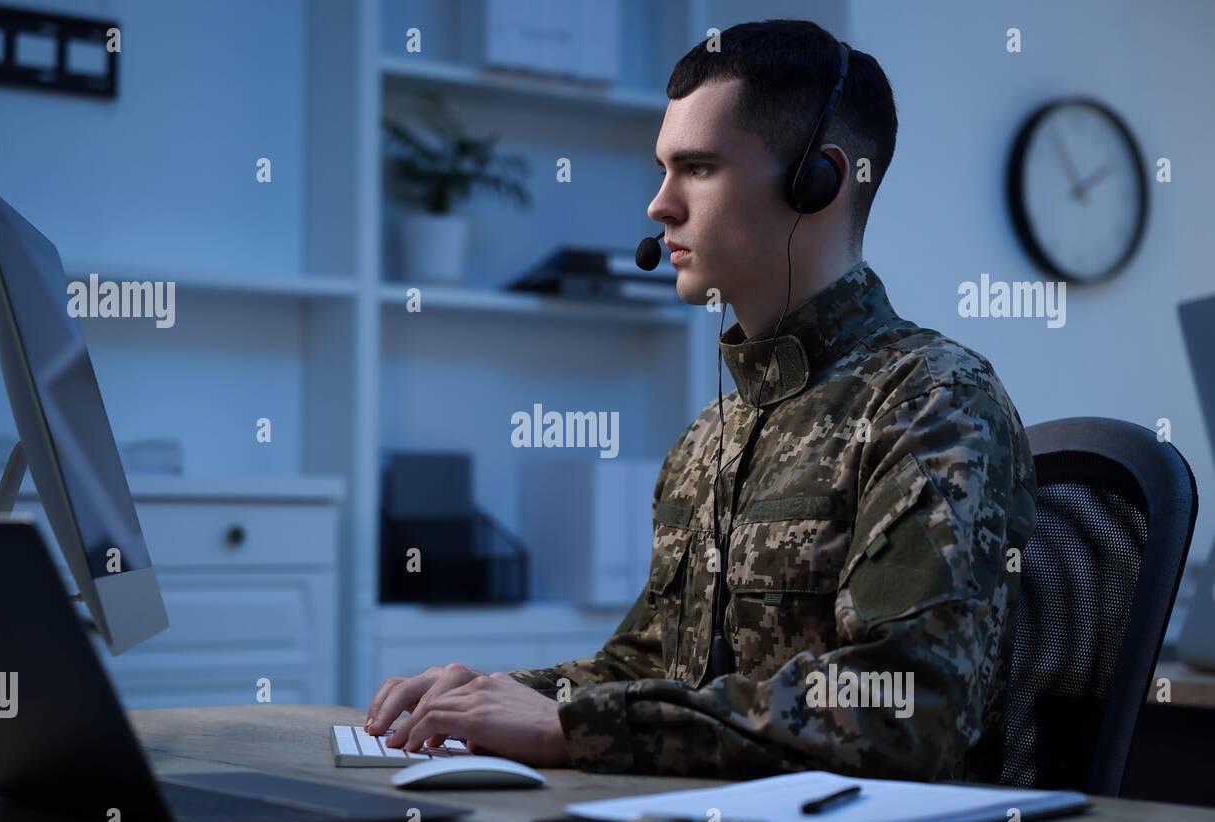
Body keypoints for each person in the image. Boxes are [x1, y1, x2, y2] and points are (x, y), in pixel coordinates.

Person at [365, 19, 1038, 782]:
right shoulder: (710, 436)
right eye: (663, 169)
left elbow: (906, 708)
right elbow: (644, 666)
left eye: (698, 168)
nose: (659, 205)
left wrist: (574, 727)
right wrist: (484, 699)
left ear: (816, 179)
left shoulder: (932, 402)